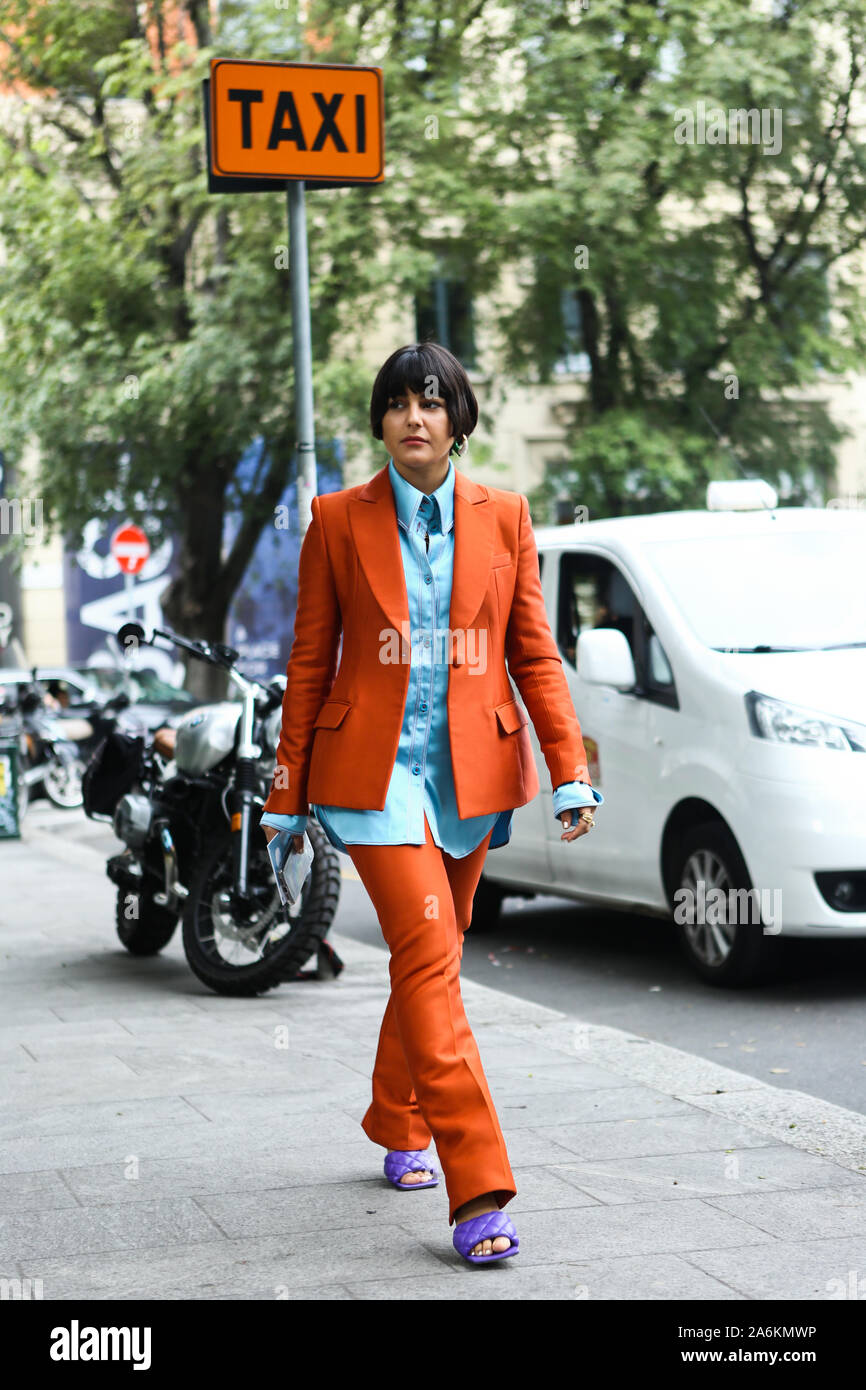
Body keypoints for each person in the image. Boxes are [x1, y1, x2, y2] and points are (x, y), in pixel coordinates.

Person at [260, 342, 603, 1266]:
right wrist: (286, 792)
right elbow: (308, 663)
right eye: (398, 403)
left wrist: (568, 766)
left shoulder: (507, 517)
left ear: (459, 419)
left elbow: (533, 653)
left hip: (471, 778)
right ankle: (479, 1188)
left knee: (433, 956)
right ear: (380, 420)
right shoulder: (336, 520)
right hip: (373, 783)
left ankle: (392, 1116)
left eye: (433, 401)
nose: (415, 417)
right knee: (429, 956)